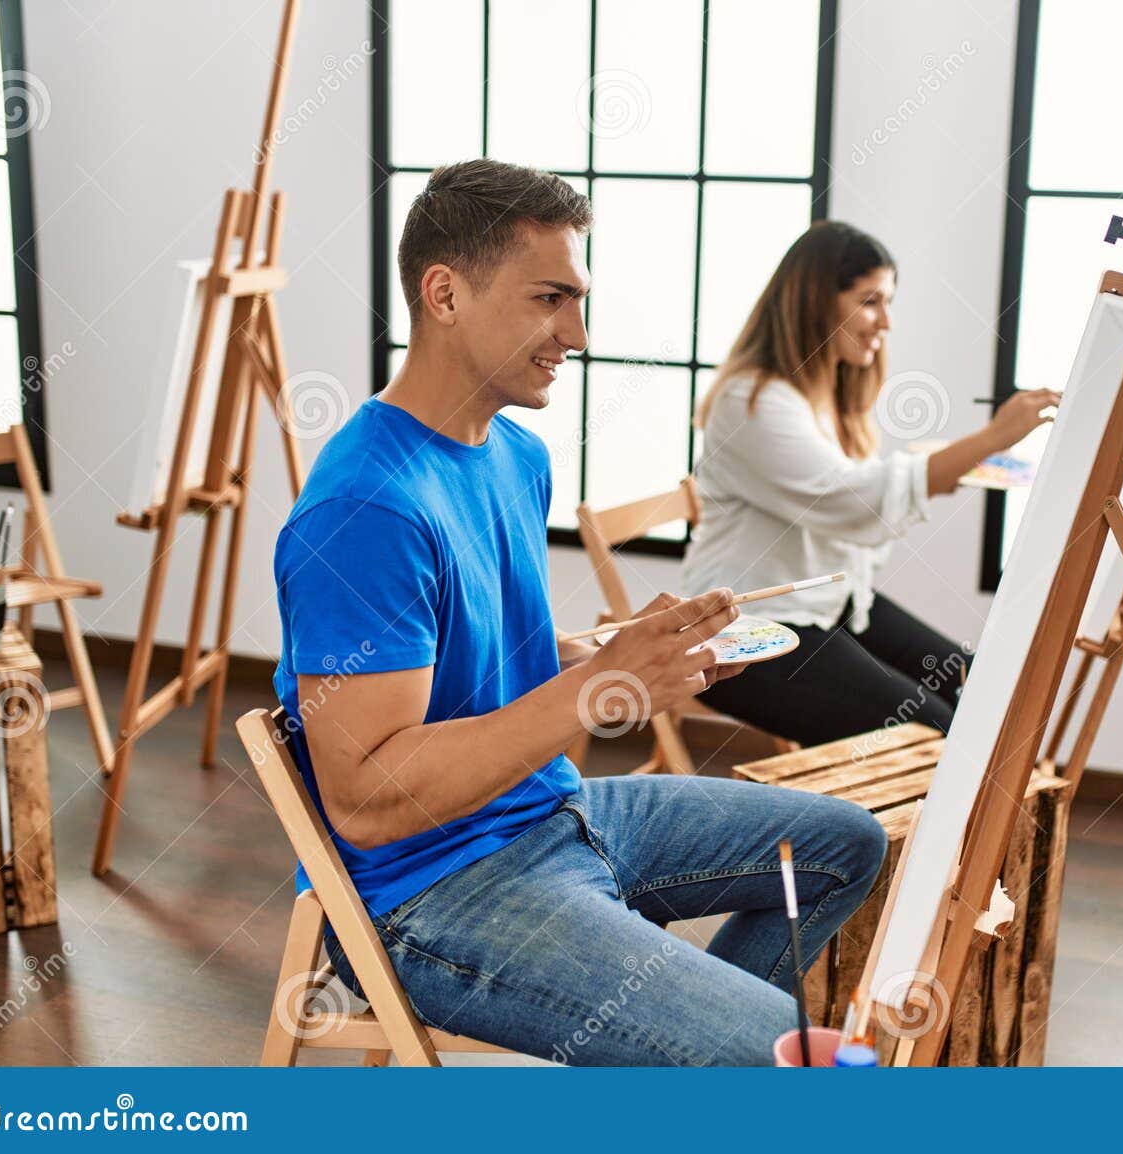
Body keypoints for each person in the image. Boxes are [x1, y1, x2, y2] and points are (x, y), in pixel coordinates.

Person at [271, 160, 886, 1066]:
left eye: (579, 298)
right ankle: (730, 1058)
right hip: (434, 891)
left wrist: (614, 656)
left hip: (549, 810)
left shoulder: (515, 454)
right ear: (444, 293)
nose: (580, 334)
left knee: (845, 842)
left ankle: (696, 1057)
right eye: (550, 299)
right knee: (784, 1060)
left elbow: (479, 670)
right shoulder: (366, 508)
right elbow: (366, 800)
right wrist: (598, 687)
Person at [683, 221, 1058, 747]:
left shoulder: (823, 397)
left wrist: (946, 468)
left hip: (832, 607)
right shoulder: (752, 403)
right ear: (817, 301)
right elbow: (853, 503)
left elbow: (859, 498)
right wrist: (992, 439)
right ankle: (883, 828)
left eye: (888, 302)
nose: (886, 321)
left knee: (976, 683)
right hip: (747, 632)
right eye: (870, 301)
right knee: (931, 732)